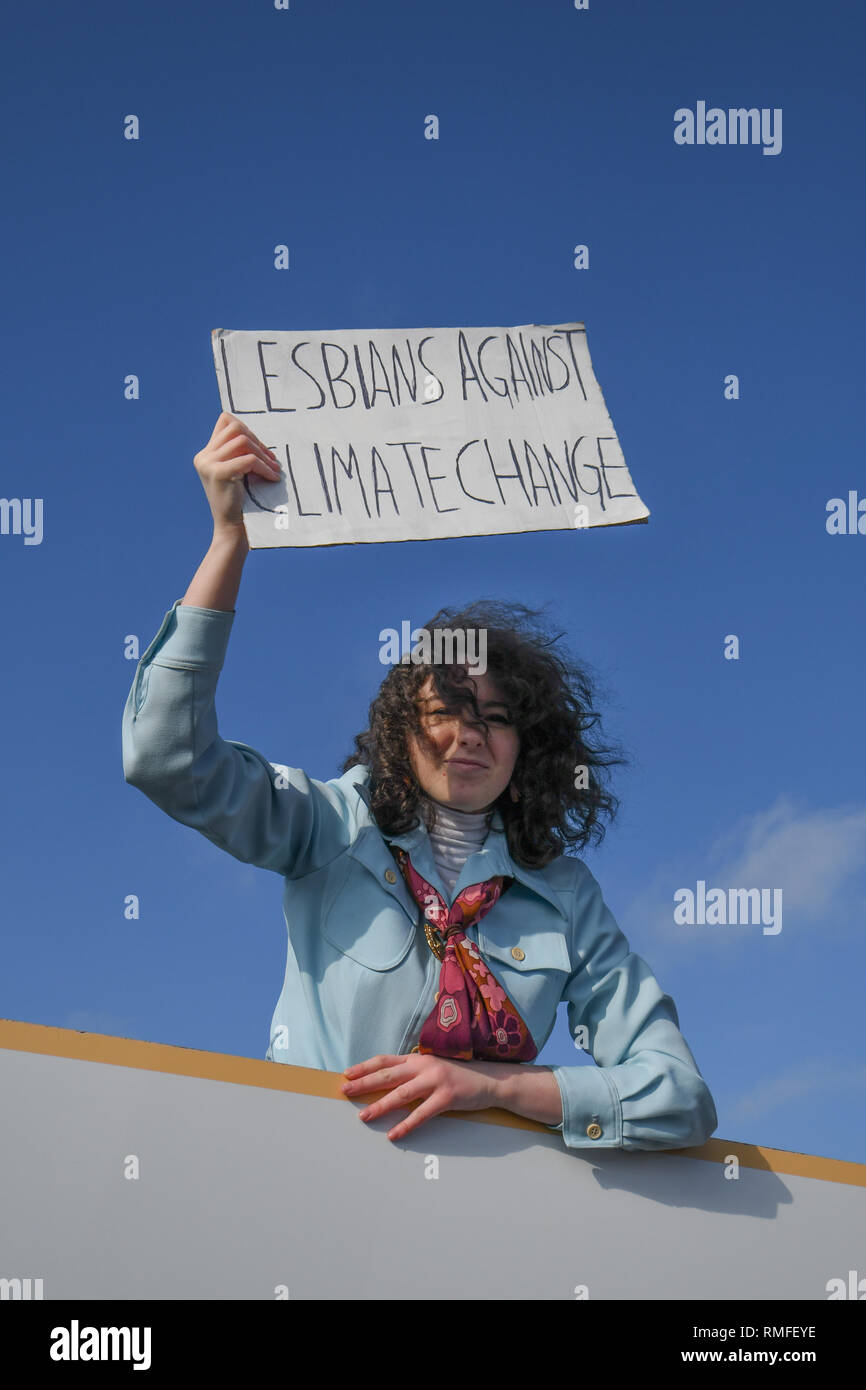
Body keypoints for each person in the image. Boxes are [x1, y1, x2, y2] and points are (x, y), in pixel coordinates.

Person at [122, 412, 718, 1151]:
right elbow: (165, 758)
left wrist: (496, 1090)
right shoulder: (329, 824)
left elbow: (681, 1096)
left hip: (487, 1223)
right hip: (310, 1181)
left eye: (497, 718)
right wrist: (228, 541)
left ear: (526, 746)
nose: (470, 733)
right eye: (447, 709)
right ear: (401, 732)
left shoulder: (565, 896)